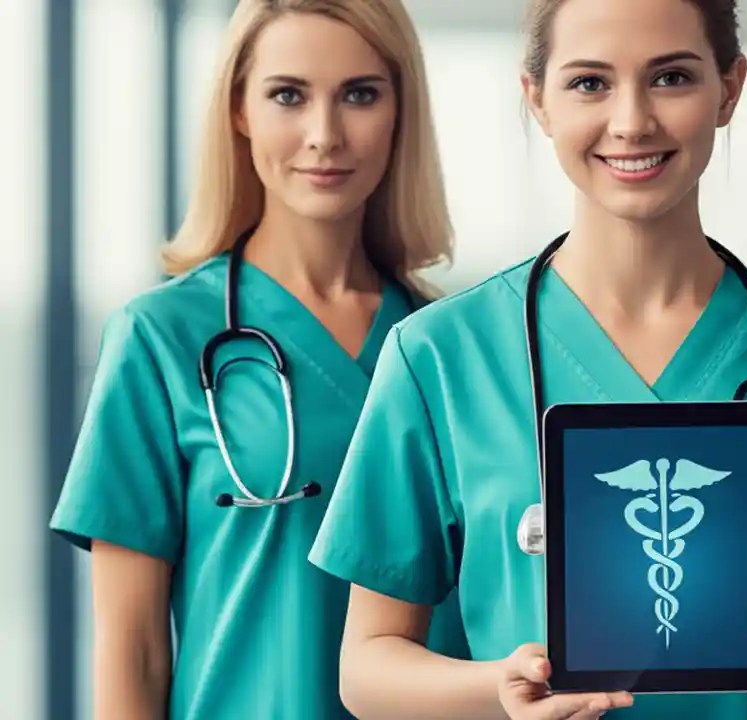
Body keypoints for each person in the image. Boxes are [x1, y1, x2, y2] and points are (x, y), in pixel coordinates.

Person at [307, 0, 747, 718]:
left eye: (671, 78)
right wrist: (498, 688)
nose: (631, 122)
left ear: (730, 89)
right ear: (538, 99)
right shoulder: (438, 355)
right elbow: (367, 669)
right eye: (589, 83)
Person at [48, 1, 469, 718]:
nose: (324, 134)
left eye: (360, 94)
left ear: (401, 112)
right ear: (239, 110)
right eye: (288, 95)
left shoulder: (451, 346)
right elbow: (132, 650)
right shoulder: (160, 338)